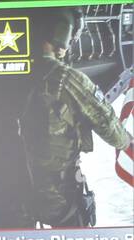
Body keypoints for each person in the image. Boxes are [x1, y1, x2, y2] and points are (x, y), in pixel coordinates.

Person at [19, 9, 132, 227]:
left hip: (19, 184)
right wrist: (127, 142)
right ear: (60, 34)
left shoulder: (15, 73)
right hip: (59, 191)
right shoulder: (66, 78)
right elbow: (106, 122)